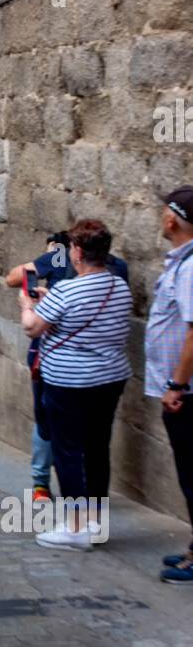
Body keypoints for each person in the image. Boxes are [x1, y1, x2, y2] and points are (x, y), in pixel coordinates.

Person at [19, 220, 132, 550]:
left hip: (69, 382)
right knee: (98, 449)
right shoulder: (118, 286)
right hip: (109, 379)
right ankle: (96, 522)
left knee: (68, 451)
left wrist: (28, 305)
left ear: (78, 252)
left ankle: (75, 527)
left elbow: (33, 328)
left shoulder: (67, 291)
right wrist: (49, 299)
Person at [144, 189, 193, 584]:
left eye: (164, 210)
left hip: (186, 394)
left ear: (173, 219)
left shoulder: (191, 267)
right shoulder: (182, 262)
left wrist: (177, 384)